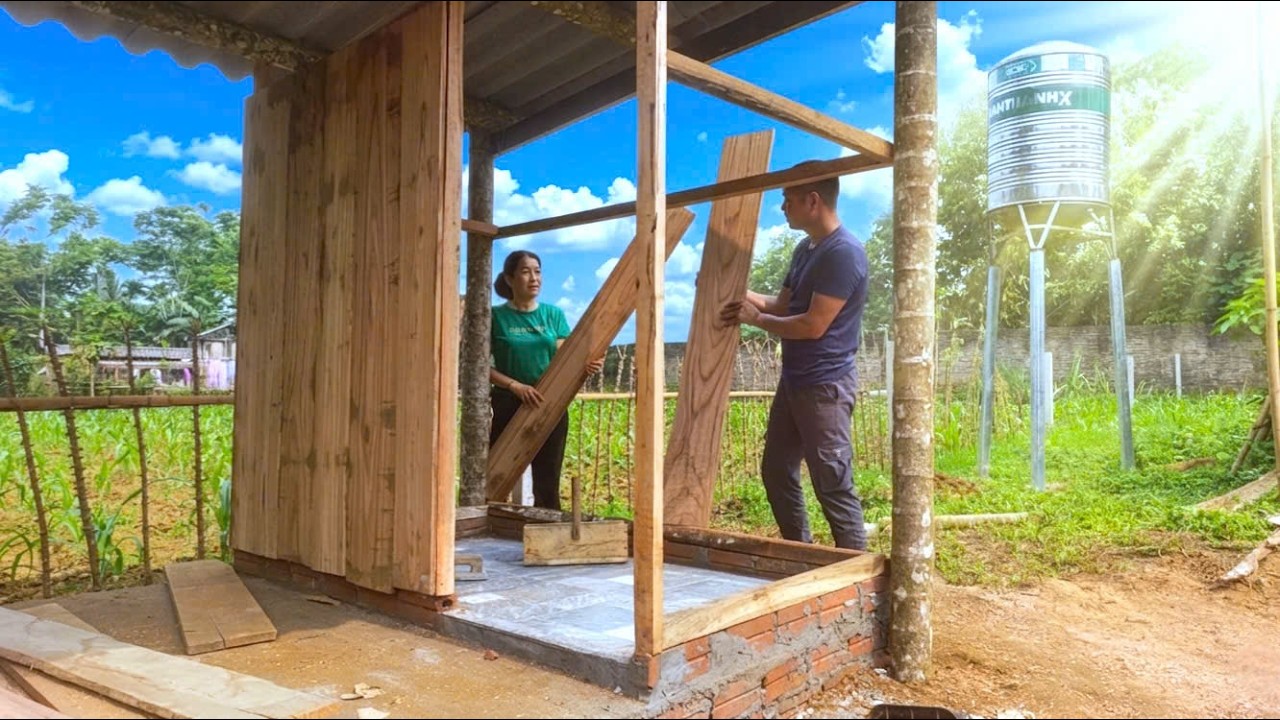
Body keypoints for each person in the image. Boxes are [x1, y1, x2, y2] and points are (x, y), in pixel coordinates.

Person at [719, 161, 869, 550]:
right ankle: (800, 554)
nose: (783, 208)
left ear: (813, 201)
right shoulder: (806, 249)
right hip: (796, 382)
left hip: (825, 387)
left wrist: (757, 320)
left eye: (787, 200)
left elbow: (812, 325)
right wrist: (738, 290)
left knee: (832, 483)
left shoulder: (843, 253)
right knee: (776, 471)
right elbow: (785, 306)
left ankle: (853, 575)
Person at [489, 249, 603, 511]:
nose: (534, 278)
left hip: (548, 403)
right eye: (526, 271)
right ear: (509, 278)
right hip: (509, 402)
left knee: (547, 478)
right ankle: (493, 526)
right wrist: (515, 386)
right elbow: (479, 366)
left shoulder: (553, 315)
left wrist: (586, 366)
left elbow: (567, 358)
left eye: (538, 271)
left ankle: (548, 531)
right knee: (497, 473)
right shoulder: (495, 317)